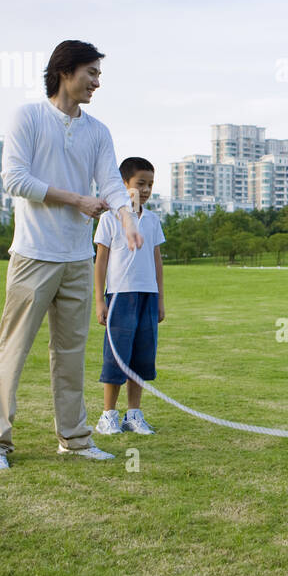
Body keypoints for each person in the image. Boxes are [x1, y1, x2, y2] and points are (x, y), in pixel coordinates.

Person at [0, 40, 142, 469]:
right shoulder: (28, 117)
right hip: (33, 255)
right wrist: (76, 200)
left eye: (99, 74)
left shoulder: (98, 131)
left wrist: (125, 217)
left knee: (70, 357)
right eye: (92, 73)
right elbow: (14, 179)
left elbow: (109, 180)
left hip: (76, 260)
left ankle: (74, 438)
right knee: (11, 353)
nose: (97, 82)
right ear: (65, 72)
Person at [93, 156, 166, 435]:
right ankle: (108, 415)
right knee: (116, 357)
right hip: (119, 298)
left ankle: (133, 414)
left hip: (147, 296)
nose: (146, 190)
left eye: (150, 184)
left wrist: (159, 299)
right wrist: (100, 300)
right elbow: (100, 262)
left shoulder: (152, 220)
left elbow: (157, 262)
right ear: (125, 184)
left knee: (142, 357)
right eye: (140, 184)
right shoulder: (110, 218)